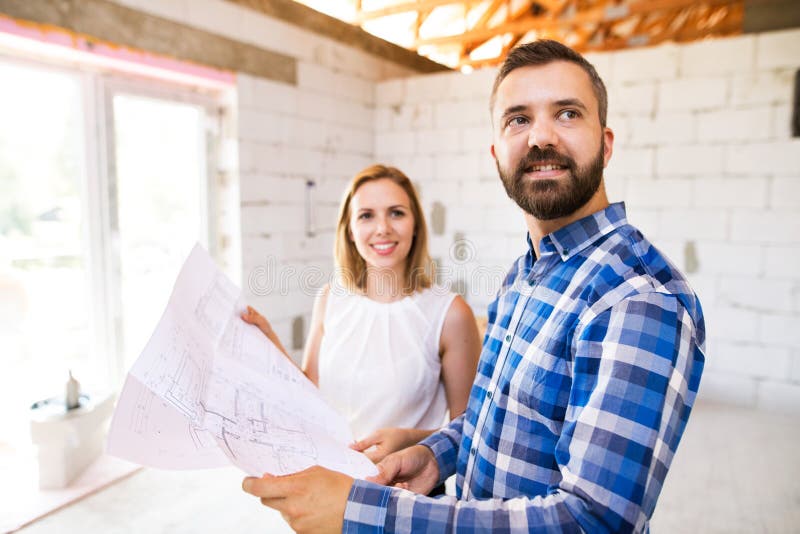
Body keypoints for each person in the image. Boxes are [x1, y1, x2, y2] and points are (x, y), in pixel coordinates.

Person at [242, 40, 706, 533]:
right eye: (518, 119)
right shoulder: (522, 277)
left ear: (606, 144)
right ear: (496, 153)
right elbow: (491, 418)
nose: (541, 137)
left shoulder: (637, 297)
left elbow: (591, 521)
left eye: (567, 114)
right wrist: (433, 455)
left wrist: (358, 513)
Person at [242, 164, 482, 463]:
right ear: (351, 231)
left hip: (406, 494)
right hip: (329, 478)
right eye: (366, 215)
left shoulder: (450, 313)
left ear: (416, 224)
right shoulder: (330, 297)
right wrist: (271, 343)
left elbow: (471, 433)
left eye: (396, 212)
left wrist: (409, 441)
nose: (383, 228)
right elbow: (309, 396)